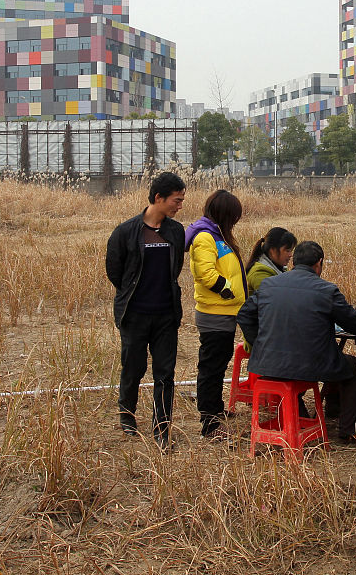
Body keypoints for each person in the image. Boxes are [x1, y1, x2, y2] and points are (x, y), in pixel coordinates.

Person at [237, 241, 356, 442]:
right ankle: (351, 430)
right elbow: (354, 323)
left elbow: (244, 315)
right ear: (319, 263)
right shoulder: (326, 290)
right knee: (353, 367)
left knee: (327, 363)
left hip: (268, 363)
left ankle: (302, 418)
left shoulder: (269, 284)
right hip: (310, 364)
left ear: (294, 262)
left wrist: (260, 344)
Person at [105, 171, 187, 448]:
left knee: (165, 374)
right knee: (133, 368)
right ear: (158, 198)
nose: (180, 205)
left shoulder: (175, 231)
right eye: (176, 200)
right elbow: (115, 271)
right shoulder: (126, 232)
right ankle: (127, 415)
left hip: (166, 314)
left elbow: (175, 270)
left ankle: (162, 428)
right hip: (135, 314)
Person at [186, 189, 246, 437]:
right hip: (215, 313)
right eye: (234, 216)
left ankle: (216, 409)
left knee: (218, 364)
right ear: (224, 214)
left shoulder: (218, 235)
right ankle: (209, 423)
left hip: (225, 312)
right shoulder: (205, 238)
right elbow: (205, 273)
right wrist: (227, 289)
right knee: (211, 369)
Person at [246, 227, 297, 292]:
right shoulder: (259, 273)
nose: (290, 255)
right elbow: (272, 296)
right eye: (287, 251)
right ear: (272, 250)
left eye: (291, 251)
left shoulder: (280, 268)